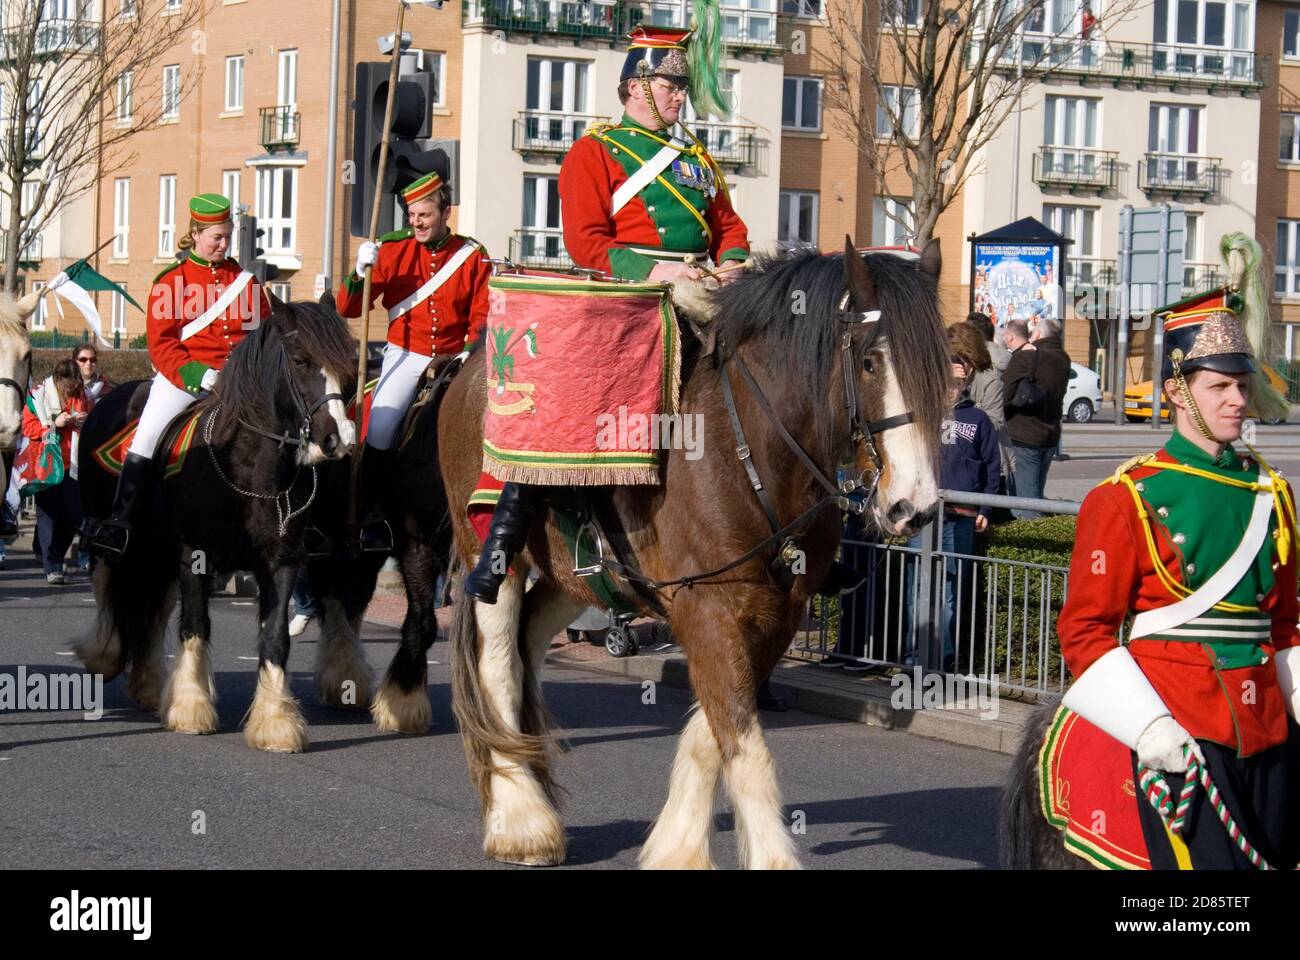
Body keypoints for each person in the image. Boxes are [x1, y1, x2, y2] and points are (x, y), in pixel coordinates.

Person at [463, 24, 751, 604]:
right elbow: (587, 242)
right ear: (637, 87)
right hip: (628, 298)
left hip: (703, 291)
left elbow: (728, 227)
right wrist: (658, 273)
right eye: (670, 84)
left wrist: (735, 263)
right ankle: (503, 537)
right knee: (562, 401)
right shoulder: (593, 152)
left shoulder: (696, 158)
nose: (679, 96)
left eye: (682, 86)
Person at [1056, 293, 1298, 869]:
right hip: (1183, 730)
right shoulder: (1126, 498)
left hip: (1267, 726)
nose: (1238, 399)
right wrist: (1150, 727)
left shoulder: (1273, 493)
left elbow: (1285, 623)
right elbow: (1084, 630)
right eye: (1220, 387)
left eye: (1242, 385)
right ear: (1177, 390)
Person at [86, 194, 272, 558]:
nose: (223, 244)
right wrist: (197, 374)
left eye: (228, 237)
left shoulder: (245, 282)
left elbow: (264, 335)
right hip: (185, 380)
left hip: (239, 384)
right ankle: (119, 521)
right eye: (216, 237)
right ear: (197, 234)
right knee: (147, 437)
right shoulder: (172, 281)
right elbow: (162, 344)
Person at [337, 172, 491, 553]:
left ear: (445, 212)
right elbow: (348, 307)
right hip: (407, 352)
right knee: (383, 425)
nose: (417, 223)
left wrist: (468, 351)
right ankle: (372, 514)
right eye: (411, 215)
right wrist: (359, 273)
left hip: (458, 355)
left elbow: (483, 315)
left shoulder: (471, 255)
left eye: (424, 215)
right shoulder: (392, 250)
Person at [904, 354, 1001, 670]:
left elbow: (991, 467)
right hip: (922, 515)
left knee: (948, 590)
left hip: (960, 516)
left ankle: (941, 657)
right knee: (918, 588)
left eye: (957, 383)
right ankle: (915, 654)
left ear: (965, 383)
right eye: (946, 381)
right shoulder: (920, 414)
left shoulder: (978, 420)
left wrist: (986, 507)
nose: (951, 389)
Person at [22, 359, 88, 584]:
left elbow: (90, 416)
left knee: (73, 516)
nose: (72, 390)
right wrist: (53, 424)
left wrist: (82, 421)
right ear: (59, 380)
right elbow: (27, 427)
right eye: (69, 385)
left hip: (73, 465)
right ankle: (52, 566)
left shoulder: (82, 393)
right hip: (46, 465)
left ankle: (56, 555)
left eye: (75, 385)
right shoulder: (38, 395)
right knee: (48, 516)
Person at [1002, 316, 1069, 516]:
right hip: (1050, 435)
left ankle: (1031, 542)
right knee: (1036, 493)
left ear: (1037, 334)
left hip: (1023, 436)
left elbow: (1005, 395)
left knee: (1025, 502)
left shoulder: (1027, 357)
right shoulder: (1064, 358)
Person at [73, 344, 113, 411]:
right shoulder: (65, 386)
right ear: (74, 361)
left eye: (92, 359)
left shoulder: (107, 388)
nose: (88, 363)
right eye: (83, 359)